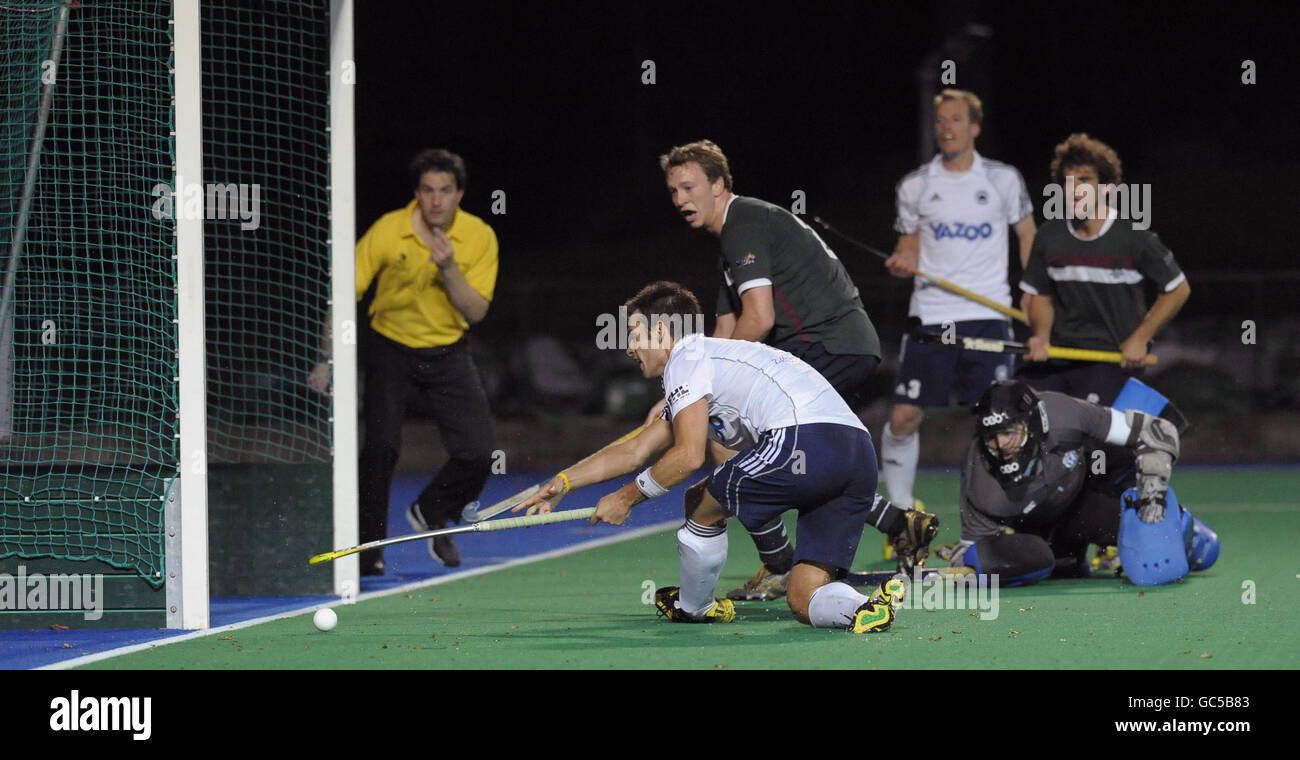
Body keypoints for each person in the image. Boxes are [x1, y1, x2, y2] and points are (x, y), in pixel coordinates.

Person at [516, 281, 936, 631]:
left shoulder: (687, 357)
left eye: (634, 334)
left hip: (802, 440)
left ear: (662, 331)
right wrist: (562, 484)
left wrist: (626, 498)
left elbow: (687, 456)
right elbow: (637, 449)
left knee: (700, 501)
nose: (628, 348)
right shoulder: (712, 362)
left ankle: (695, 607)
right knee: (803, 597)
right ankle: (865, 608)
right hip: (857, 451)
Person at [657, 139, 886, 601]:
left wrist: (687, 391)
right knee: (742, 439)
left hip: (828, 345)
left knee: (742, 447)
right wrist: (681, 393)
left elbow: (757, 320)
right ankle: (880, 529)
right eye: (673, 190)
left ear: (720, 185)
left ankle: (782, 564)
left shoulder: (743, 222)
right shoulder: (730, 246)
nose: (680, 199)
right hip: (838, 348)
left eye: (689, 187)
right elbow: (723, 334)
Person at [310, 148, 499, 575]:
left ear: (459, 194)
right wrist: (326, 360)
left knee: (481, 451)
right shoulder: (388, 230)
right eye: (428, 190)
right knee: (380, 449)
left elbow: (477, 312)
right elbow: (344, 295)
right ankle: (368, 550)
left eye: (445, 191)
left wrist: (448, 267)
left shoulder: (480, 236)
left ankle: (432, 510)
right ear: (417, 193)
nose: (436, 200)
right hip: (390, 349)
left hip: (448, 350)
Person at [880, 89, 1037, 536]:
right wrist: (902, 259)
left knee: (996, 421)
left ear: (974, 128)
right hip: (932, 315)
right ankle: (902, 518)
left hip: (989, 316)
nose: (945, 128)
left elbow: (1028, 235)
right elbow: (908, 244)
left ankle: (999, 517)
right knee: (903, 416)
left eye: (955, 120)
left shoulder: (1003, 180)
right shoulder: (915, 186)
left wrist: (1032, 289)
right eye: (940, 121)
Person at [939, 381, 1219, 586]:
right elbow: (971, 552)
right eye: (991, 438)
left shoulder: (1065, 413)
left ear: (1033, 423)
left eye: (1009, 433)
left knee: (1192, 545)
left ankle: (1184, 529)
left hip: (1085, 496)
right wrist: (976, 565)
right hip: (1041, 534)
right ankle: (1066, 557)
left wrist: (1152, 494)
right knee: (1038, 562)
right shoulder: (979, 476)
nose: (1001, 446)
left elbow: (1159, 430)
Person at [1019, 133, 1190, 406]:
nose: (1075, 189)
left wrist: (1140, 339)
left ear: (1107, 188)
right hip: (1061, 357)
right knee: (1018, 412)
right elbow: (1041, 295)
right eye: (1068, 181)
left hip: (1112, 361)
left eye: (1085, 180)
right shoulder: (1049, 237)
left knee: (1084, 430)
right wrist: (1040, 337)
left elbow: (1178, 289)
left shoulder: (1135, 238)